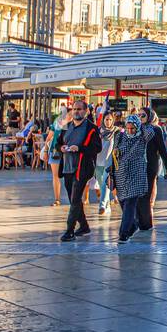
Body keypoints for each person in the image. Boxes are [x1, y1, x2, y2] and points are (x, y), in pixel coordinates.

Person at [59, 100, 101, 242]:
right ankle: (84, 226)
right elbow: (59, 142)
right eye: (74, 109)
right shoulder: (67, 127)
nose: (76, 111)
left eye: (79, 109)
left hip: (82, 168)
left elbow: (97, 148)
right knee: (73, 199)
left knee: (76, 198)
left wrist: (80, 148)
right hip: (67, 167)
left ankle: (69, 230)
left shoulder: (91, 128)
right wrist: (62, 148)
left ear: (86, 111)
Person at [111, 114, 153, 244]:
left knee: (130, 203)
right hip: (121, 174)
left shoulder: (142, 136)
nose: (130, 131)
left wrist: (142, 122)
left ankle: (123, 233)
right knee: (123, 203)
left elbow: (150, 133)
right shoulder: (120, 136)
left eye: (133, 128)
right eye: (128, 128)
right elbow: (114, 154)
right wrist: (111, 172)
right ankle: (133, 225)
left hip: (136, 174)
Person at [141, 107, 167, 208]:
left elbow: (162, 149)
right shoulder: (136, 128)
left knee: (150, 187)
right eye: (138, 115)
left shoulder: (156, 129)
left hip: (152, 163)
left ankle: (149, 208)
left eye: (143, 115)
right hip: (138, 164)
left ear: (149, 116)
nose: (140, 117)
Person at [45, 106, 70, 205]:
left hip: (68, 152)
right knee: (55, 176)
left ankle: (73, 198)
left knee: (69, 176)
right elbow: (49, 137)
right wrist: (46, 150)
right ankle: (57, 199)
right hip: (55, 151)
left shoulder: (74, 124)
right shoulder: (57, 122)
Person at [94, 113, 117, 216]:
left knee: (105, 184)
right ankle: (107, 206)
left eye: (110, 119)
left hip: (109, 163)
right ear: (103, 120)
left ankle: (102, 206)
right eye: (106, 119)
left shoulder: (116, 132)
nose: (108, 121)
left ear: (113, 120)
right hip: (98, 162)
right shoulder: (98, 131)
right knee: (101, 185)